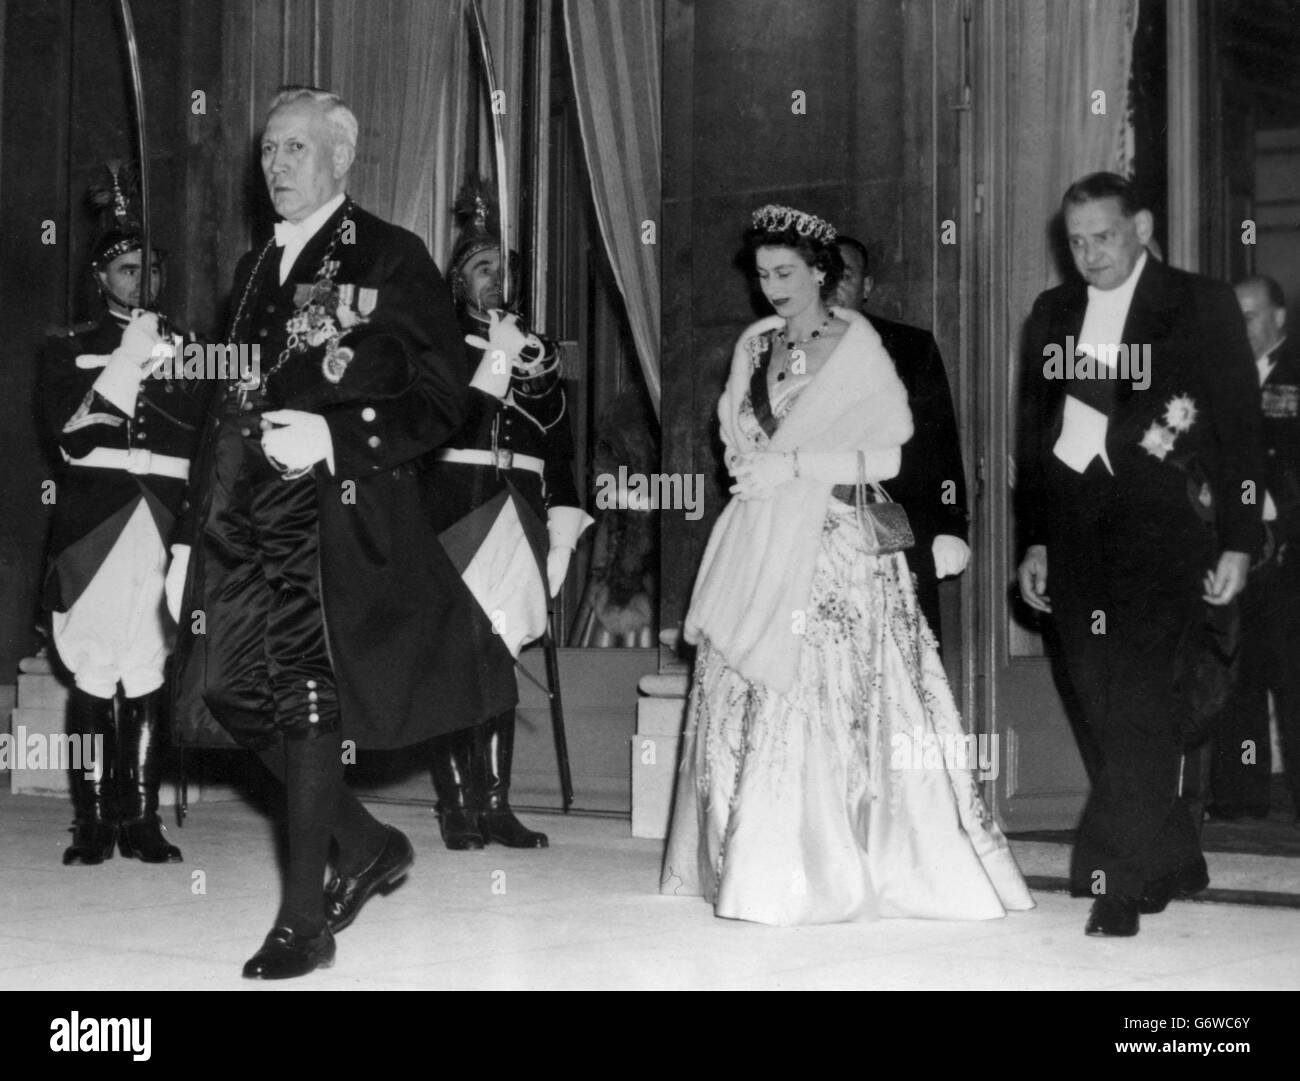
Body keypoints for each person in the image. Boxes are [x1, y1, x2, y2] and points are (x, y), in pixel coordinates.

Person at [168, 87, 478, 979]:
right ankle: (367, 841)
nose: (275, 167)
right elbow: (222, 412)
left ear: (342, 156)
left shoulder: (390, 254)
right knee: (228, 689)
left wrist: (338, 439)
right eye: (268, 150)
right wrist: (190, 537)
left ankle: (303, 922)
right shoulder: (252, 270)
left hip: (331, 514)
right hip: (241, 516)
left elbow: (442, 397)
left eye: (295, 149)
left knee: (306, 695)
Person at [660, 204, 1032, 926]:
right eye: (764, 274)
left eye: (788, 273)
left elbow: (890, 453)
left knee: (823, 691)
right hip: (760, 533)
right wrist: (747, 460)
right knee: (747, 685)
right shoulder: (754, 342)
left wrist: (793, 463)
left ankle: (838, 860)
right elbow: (736, 425)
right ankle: (753, 859)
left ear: (822, 273)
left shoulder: (857, 342)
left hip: (835, 539)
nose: (774, 288)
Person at [1016, 172, 1265, 937]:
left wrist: (1240, 539)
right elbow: (1036, 437)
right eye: (1077, 240)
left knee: (1144, 707)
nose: (1089, 253)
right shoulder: (1053, 313)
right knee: (1099, 701)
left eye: (1105, 236)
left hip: (1164, 539)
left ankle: (1116, 880)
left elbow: (1237, 432)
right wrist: (1033, 537)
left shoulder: (1199, 306)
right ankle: (1175, 853)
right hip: (1075, 535)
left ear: (1144, 226)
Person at [41, 164, 207, 867]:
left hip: (164, 514)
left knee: (147, 665)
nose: (142, 282)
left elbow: (208, 437)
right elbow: (71, 437)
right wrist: (129, 357)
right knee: (92, 665)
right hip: (97, 515)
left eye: (150, 270)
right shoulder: (65, 344)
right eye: (128, 269)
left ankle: (139, 817)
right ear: (103, 277)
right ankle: (91, 819)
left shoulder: (193, 349)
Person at [423, 185, 591, 850]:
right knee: (450, 657)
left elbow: (559, 446)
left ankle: (495, 803)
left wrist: (565, 533)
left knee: (498, 653)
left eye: (507, 268)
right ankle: (457, 805)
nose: (499, 280)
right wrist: (496, 354)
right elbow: (450, 420)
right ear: (459, 279)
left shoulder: (536, 350)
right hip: (453, 502)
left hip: (519, 510)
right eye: (483, 267)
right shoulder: (437, 343)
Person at [835, 236, 969, 644]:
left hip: (896, 524)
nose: (832, 284)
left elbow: (940, 443)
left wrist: (950, 526)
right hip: (814, 531)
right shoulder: (785, 350)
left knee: (903, 648)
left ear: (867, 286)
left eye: (846, 275)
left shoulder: (911, 348)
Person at [1209, 276, 1300, 822]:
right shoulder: (1218, 380)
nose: (1243, 327)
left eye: (1253, 315)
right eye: (1234, 317)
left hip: (1290, 555)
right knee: (1235, 672)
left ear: (1280, 318)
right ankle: (1239, 802)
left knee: (1294, 680)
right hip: (1236, 554)